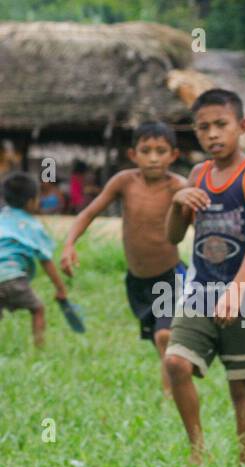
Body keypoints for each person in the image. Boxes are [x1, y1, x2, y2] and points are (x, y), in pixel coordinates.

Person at [163, 89, 245, 467]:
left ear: (242, 127)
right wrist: (179, 202)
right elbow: (173, 236)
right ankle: (197, 450)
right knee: (176, 364)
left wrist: (236, 290)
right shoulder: (197, 176)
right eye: (203, 128)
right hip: (199, 290)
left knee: (241, 385)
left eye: (221, 125)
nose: (212, 134)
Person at [61, 122, 187, 395]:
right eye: (146, 150)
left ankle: (171, 395)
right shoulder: (124, 182)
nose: (153, 157)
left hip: (169, 275)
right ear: (133, 154)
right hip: (137, 280)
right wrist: (70, 243)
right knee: (160, 339)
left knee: (164, 335)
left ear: (173, 155)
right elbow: (88, 213)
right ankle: (178, 373)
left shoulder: (179, 187)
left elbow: (203, 223)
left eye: (161, 151)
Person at [0, 171, 70, 347]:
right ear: (31, 201)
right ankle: (39, 348)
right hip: (12, 276)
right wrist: (60, 289)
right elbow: (46, 261)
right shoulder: (32, 226)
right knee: (37, 309)